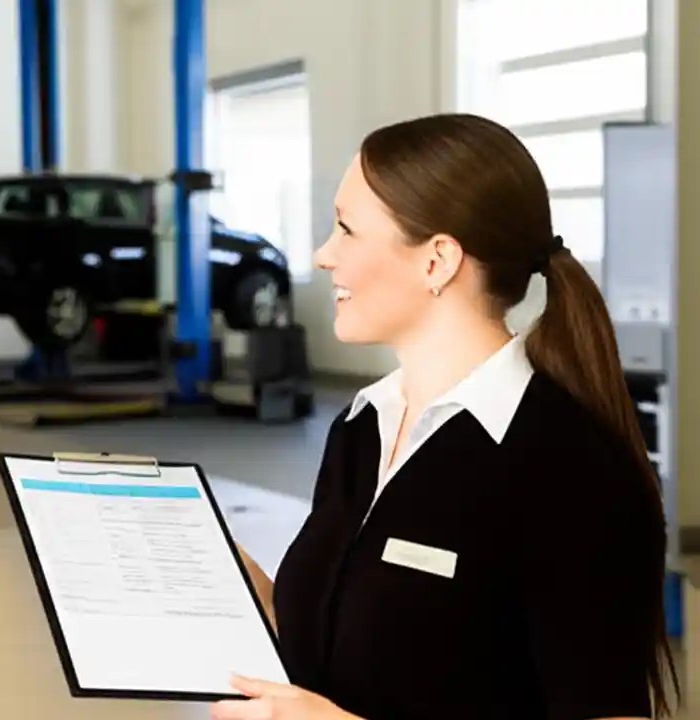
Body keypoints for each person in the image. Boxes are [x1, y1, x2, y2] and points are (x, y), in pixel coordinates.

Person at [215, 113, 677, 720]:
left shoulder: (570, 468)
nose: (324, 256)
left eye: (347, 231)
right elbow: (374, 656)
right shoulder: (361, 428)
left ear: (436, 261)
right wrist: (257, 599)